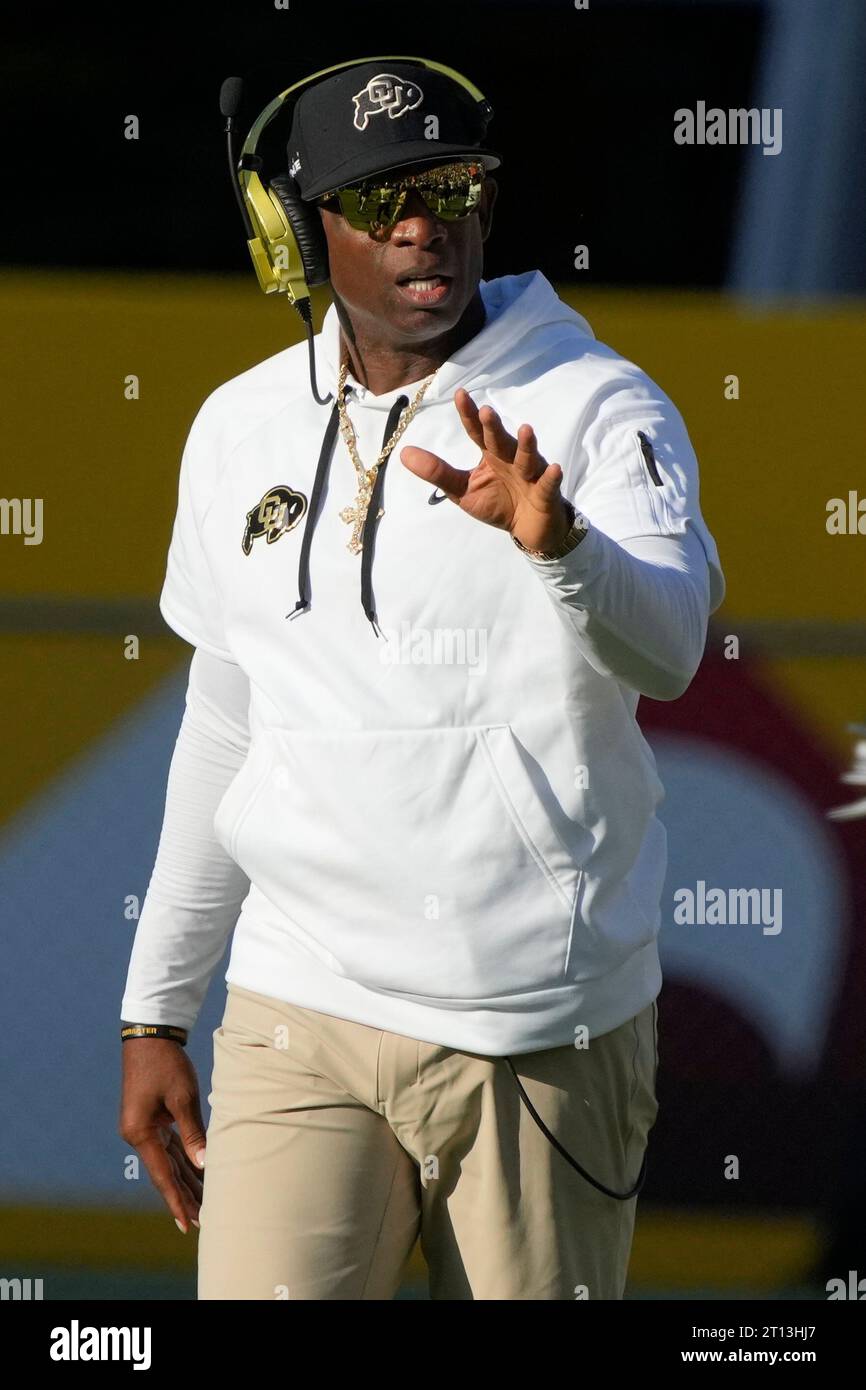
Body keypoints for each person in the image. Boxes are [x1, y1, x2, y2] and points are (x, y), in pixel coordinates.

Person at [119, 58, 725, 1300]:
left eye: (448, 185)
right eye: (377, 196)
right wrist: (156, 1012)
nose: (420, 223)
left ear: (485, 204)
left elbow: (667, 646)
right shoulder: (237, 425)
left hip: (532, 1028)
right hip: (298, 1009)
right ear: (294, 234)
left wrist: (561, 549)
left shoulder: (600, 406)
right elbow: (229, 725)